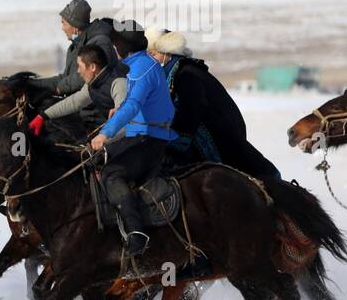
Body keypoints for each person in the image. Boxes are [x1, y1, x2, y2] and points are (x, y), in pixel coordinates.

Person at [89, 24, 177, 256]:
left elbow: (134, 105)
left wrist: (105, 134)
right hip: (142, 134)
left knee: (111, 173)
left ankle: (136, 232)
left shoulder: (140, 69)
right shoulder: (141, 64)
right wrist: (118, 110)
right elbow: (136, 103)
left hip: (149, 139)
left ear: (120, 47)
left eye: (115, 43)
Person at [148, 31, 281, 179]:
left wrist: (174, 147)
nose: (150, 60)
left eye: (153, 54)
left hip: (216, 139)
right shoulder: (176, 73)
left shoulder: (187, 75)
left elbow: (189, 114)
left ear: (168, 52)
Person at [34, 0, 121, 129]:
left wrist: (60, 87)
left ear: (75, 26)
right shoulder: (74, 48)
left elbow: (84, 80)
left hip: (95, 117)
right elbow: (67, 80)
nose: (62, 28)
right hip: (81, 112)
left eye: (64, 23)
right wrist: (33, 83)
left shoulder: (100, 43)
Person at [29, 44, 128, 137]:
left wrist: (103, 138)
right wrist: (44, 116)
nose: (78, 71)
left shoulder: (118, 83)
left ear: (93, 67)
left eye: (80, 66)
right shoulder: (93, 84)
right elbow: (74, 102)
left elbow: (125, 122)